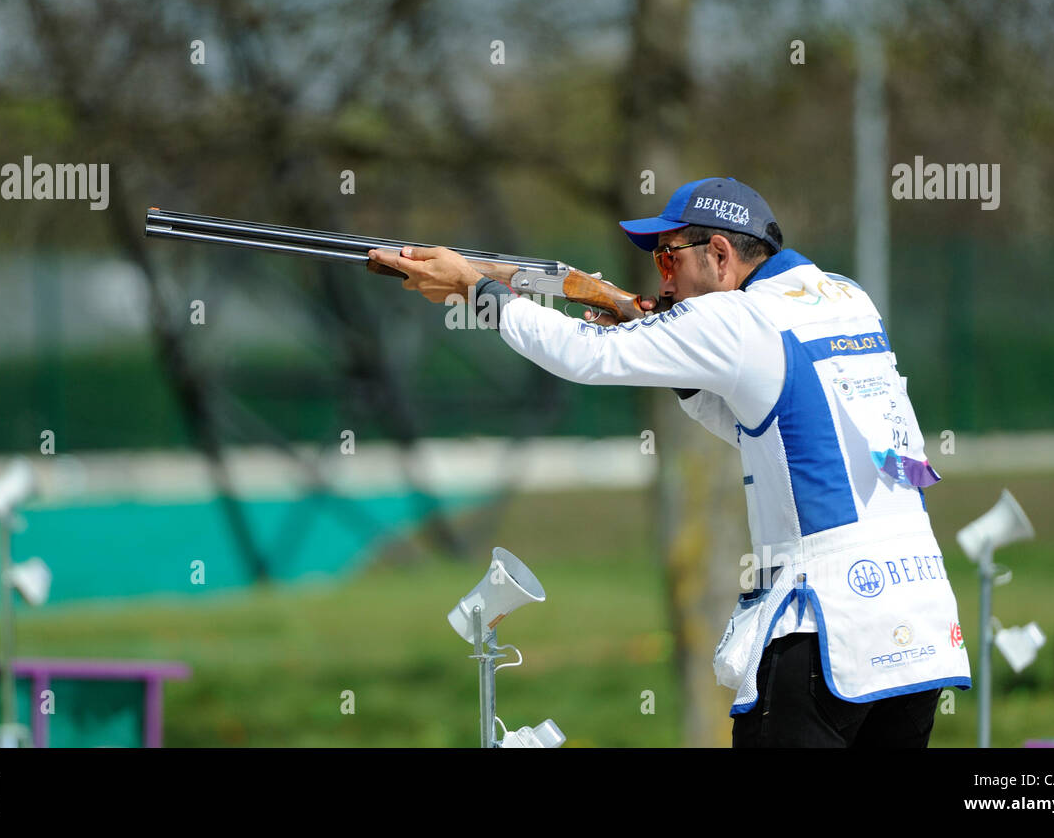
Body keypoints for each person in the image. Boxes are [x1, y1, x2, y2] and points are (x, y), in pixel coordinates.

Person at [368, 176, 972, 748]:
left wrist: (479, 290)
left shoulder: (736, 316)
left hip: (824, 628)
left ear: (718, 254)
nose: (665, 282)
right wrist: (671, 352)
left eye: (667, 260)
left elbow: (582, 355)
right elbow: (771, 431)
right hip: (918, 624)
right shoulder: (845, 296)